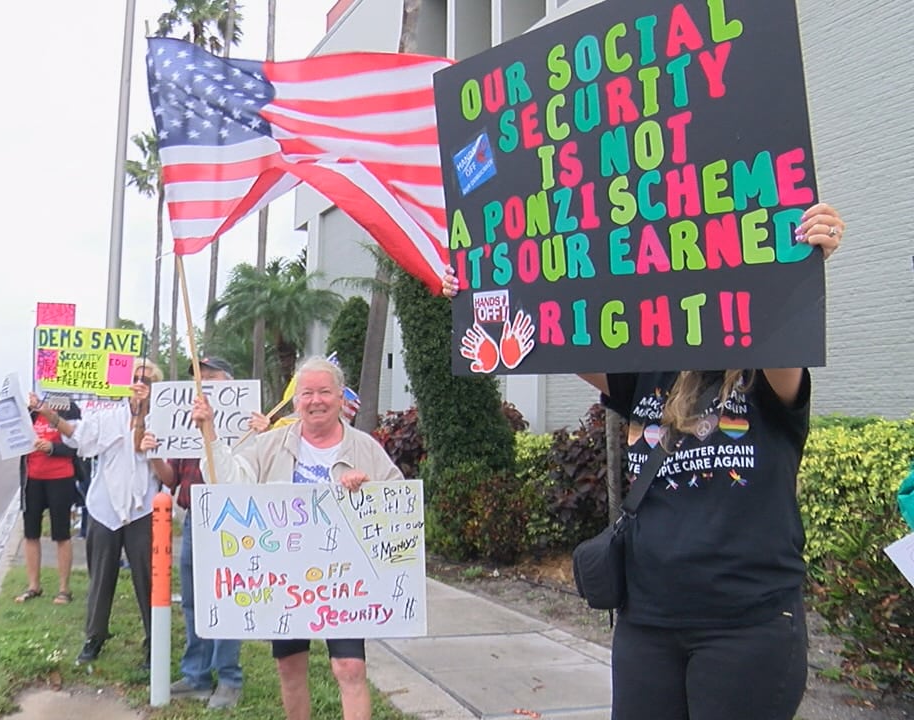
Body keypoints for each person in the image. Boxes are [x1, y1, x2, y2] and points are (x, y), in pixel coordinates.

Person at [442, 203, 846, 720]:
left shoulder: (765, 372)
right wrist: (477, 293)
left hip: (746, 627)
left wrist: (805, 253)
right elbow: (542, 338)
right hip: (648, 621)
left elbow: (785, 315)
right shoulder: (649, 372)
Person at [191, 355, 403, 720]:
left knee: (350, 668)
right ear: (296, 400)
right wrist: (208, 431)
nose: (315, 400)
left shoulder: (365, 448)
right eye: (307, 393)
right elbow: (228, 484)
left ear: (340, 398)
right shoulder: (271, 444)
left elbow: (400, 507)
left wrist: (367, 491)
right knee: (290, 669)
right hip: (284, 581)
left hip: (345, 582)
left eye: (324, 391)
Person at [154, 356, 269, 710]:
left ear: (231, 385)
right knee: (192, 600)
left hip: (233, 521)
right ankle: (197, 675)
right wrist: (151, 454)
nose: (203, 386)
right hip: (194, 519)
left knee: (228, 598)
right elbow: (171, 479)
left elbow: (256, 468)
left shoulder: (250, 425)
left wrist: (265, 432)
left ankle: (229, 678)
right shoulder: (185, 425)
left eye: (212, 378)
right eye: (200, 380)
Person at [52, 359, 171, 668]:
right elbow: (77, 435)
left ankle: (153, 640)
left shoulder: (165, 421)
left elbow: (167, 467)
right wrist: (46, 412)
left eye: (147, 380)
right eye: (136, 378)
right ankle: (95, 635)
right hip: (105, 507)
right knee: (101, 575)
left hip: (144, 508)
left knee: (149, 578)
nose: (140, 383)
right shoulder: (107, 418)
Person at [12, 392, 83, 605]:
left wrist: (53, 448)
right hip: (32, 478)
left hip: (60, 477)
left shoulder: (69, 408)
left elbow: (78, 444)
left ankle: (64, 589)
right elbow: (16, 436)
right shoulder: (31, 412)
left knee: (61, 533)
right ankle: (33, 585)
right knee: (31, 532)